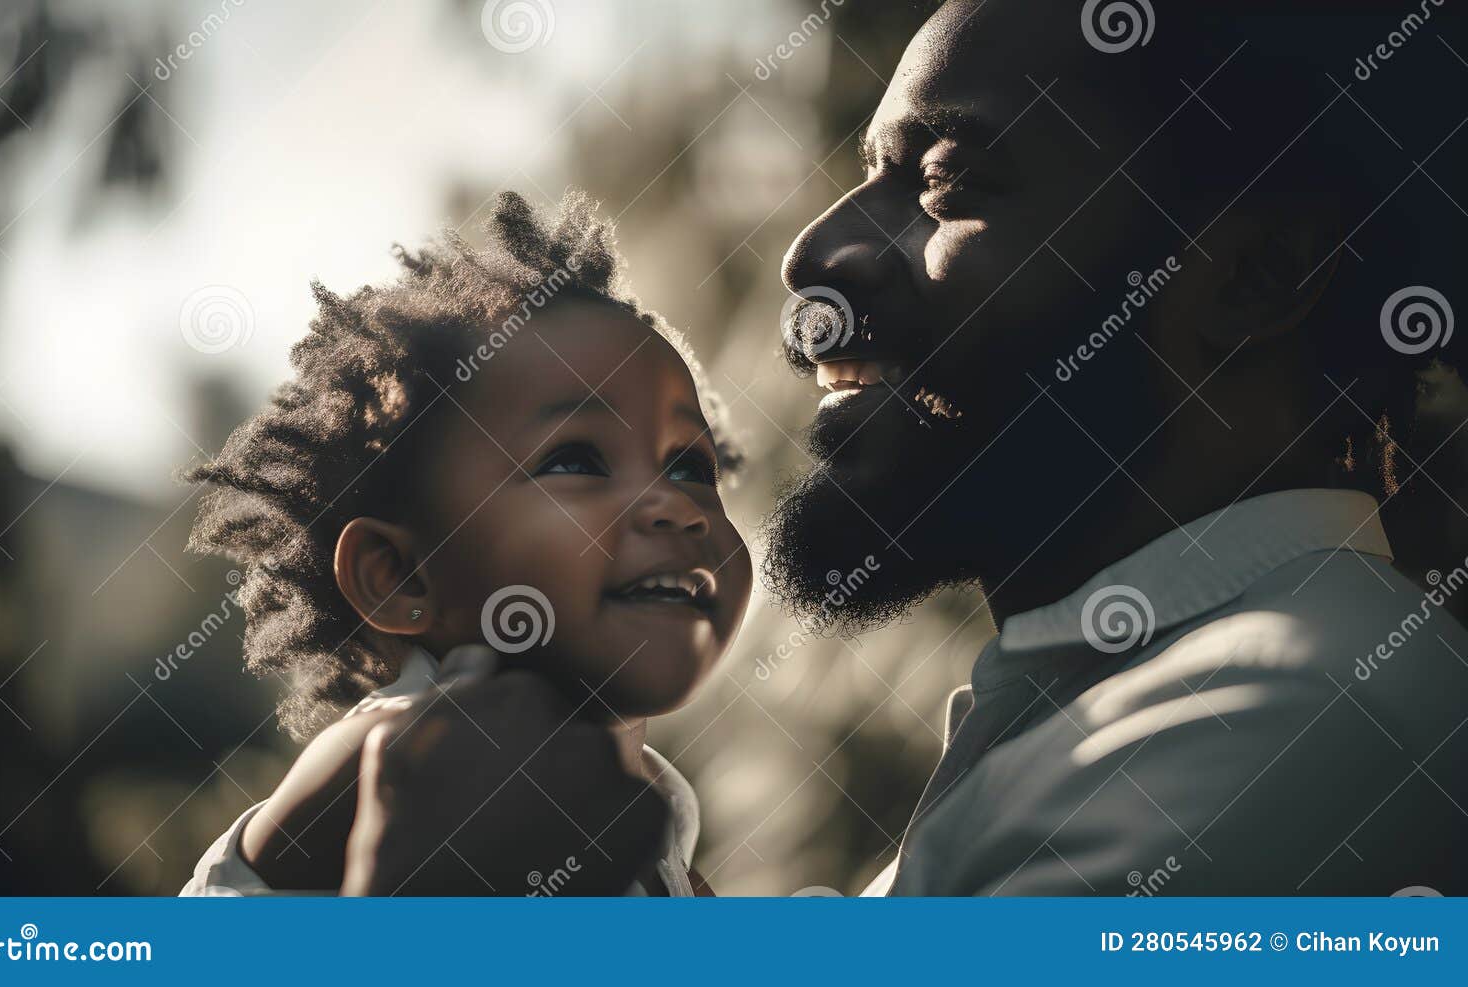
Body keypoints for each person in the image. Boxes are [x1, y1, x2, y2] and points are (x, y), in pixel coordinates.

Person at [336, 0, 1466, 896]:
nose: (813, 251)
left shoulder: (1303, 705)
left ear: (1256, 275)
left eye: (947, 180)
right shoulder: (1085, 704)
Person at [177, 190, 752, 895]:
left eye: (691, 467)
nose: (676, 507)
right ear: (399, 576)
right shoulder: (387, 753)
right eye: (574, 460)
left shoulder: (660, 835)